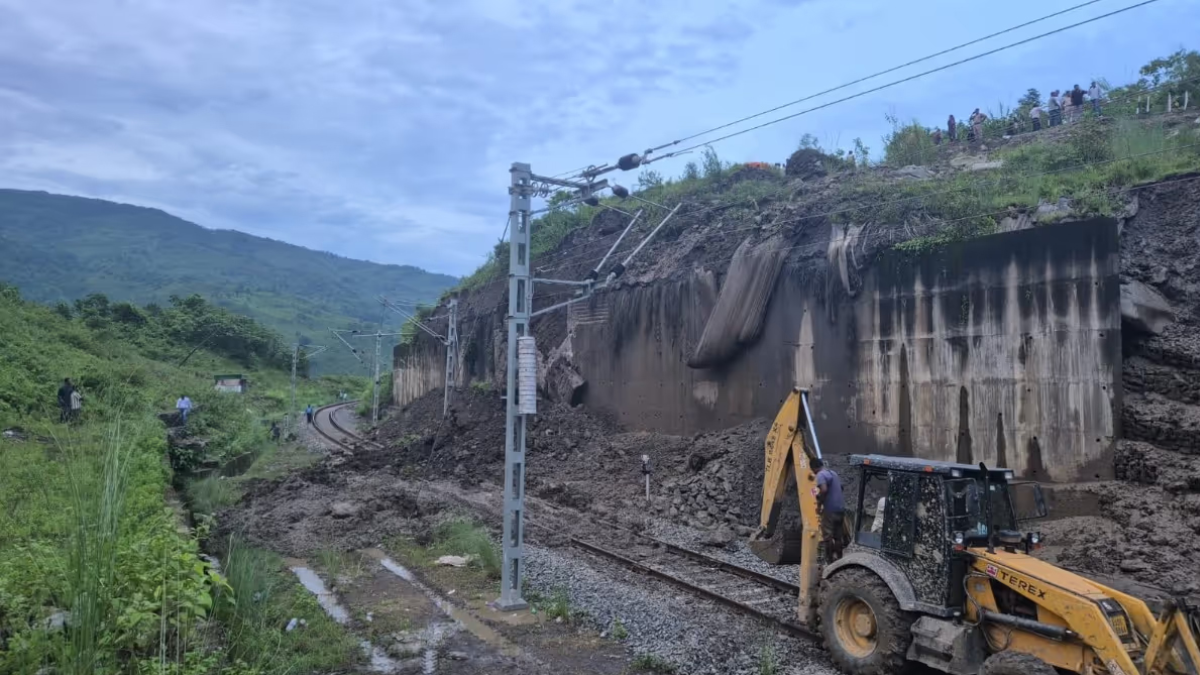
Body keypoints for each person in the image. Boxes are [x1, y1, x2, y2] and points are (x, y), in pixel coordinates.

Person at [813, 458, 846, 562]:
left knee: (827, 536)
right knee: (838, 536)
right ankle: (840, 560)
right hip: (840, 509)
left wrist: (819, 503)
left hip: (830, 510)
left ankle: (829, 561)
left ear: (814, 468)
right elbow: (841, 488)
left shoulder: (820, 475)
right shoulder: (834, 473)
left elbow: (823, 489)